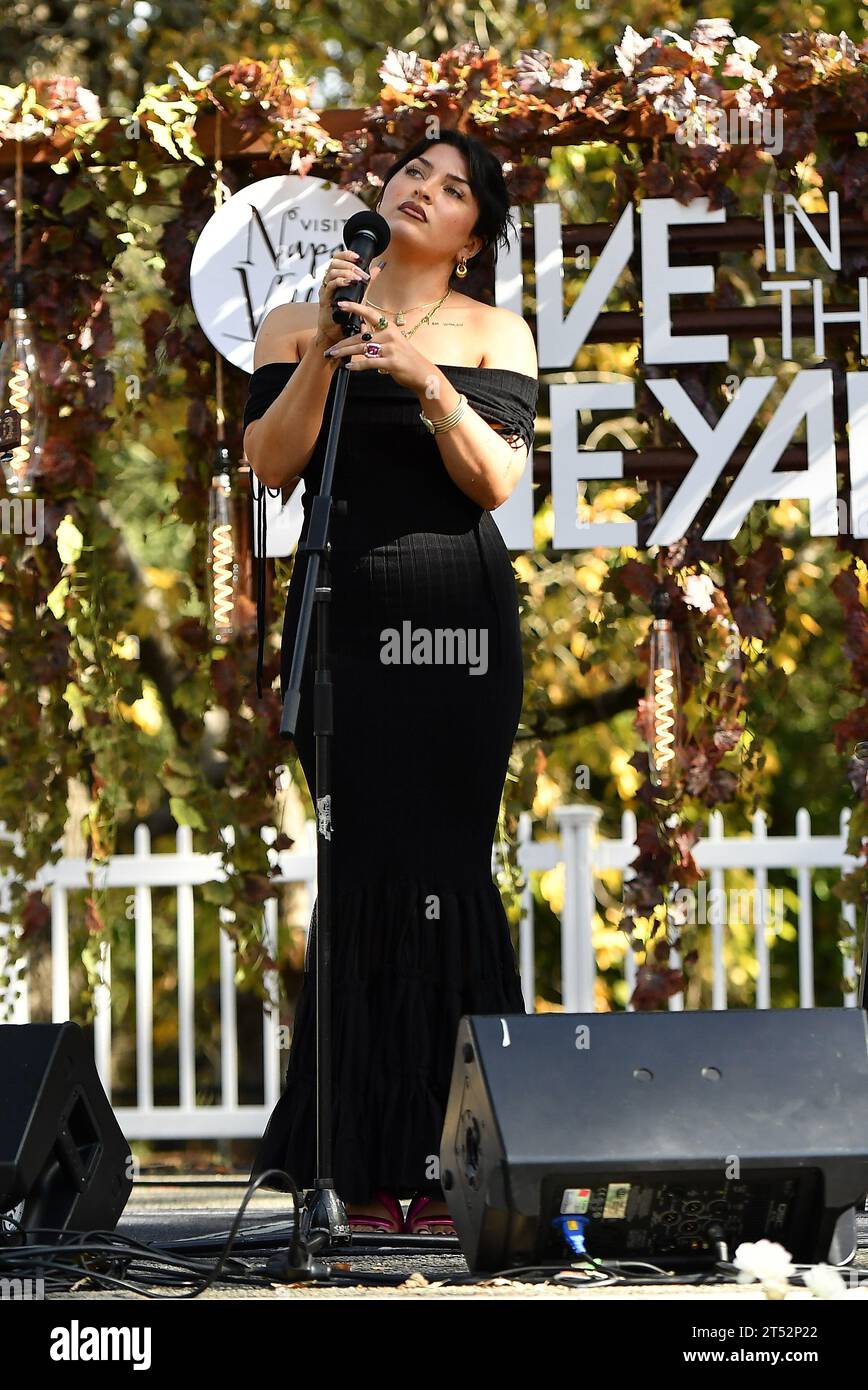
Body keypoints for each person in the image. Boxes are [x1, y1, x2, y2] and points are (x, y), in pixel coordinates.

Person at [242, 131, 539, 1236]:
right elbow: (273, 466)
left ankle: (458, 1162)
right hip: (341, 616)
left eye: (454, 188)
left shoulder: (490, 331)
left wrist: (426, 384)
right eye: (415, 172)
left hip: (457, 624)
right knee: (361, 871)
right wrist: (325, 346)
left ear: (473, 236)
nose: (425, 189)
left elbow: (496, 481)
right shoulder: (295, 318)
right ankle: (361, 1169)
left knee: (448, 870)